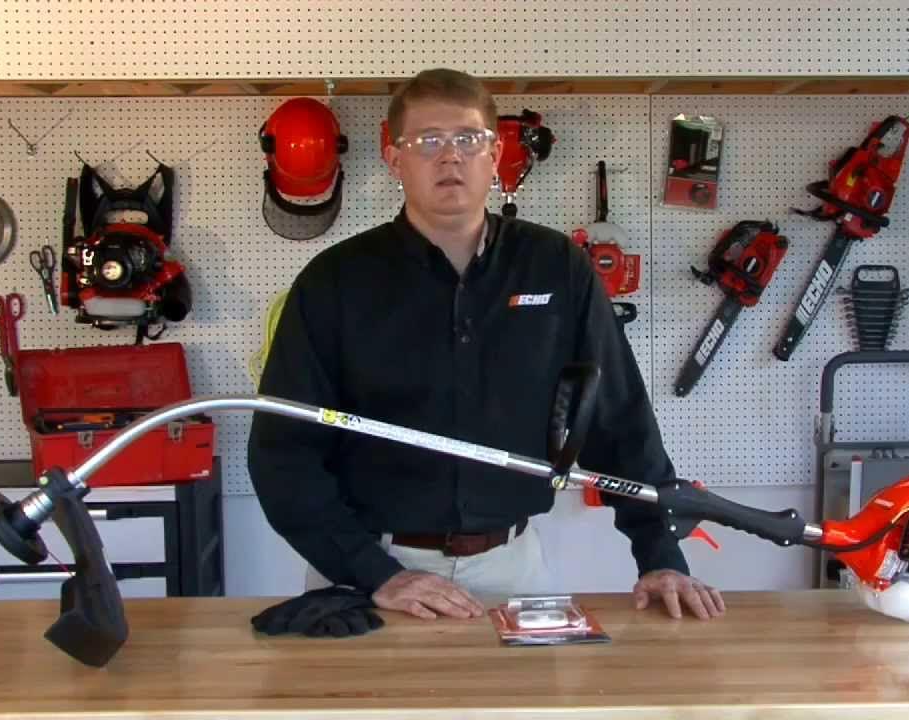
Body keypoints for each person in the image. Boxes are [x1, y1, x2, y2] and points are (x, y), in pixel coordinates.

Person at [248, 68, 725, 622]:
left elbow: (619, 420)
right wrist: (375, 573)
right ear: (394, 158)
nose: (450, 157)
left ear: (495, 155)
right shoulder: (334, 281)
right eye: (428, 141)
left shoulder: (558, 267)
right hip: (367, 577)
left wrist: (660, 555)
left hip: (512, 567)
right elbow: (283, 453)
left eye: (468, 139)